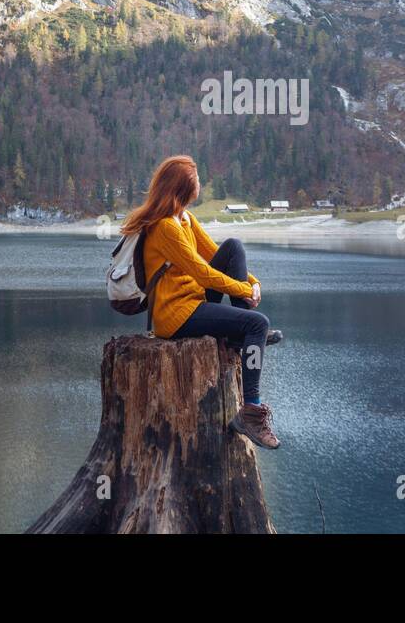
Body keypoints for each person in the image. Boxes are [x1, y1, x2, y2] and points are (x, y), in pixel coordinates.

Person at [120, 155, 283, 449]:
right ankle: (251, 413)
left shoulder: (184, 218)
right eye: (196, 182)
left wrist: (253, 283)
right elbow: (204, 273)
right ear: (184, 188)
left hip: (193, 301)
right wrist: (242, 289)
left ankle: (240, 337)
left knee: (233, 247)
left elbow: (213, 255)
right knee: (258, 324)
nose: (200, 187)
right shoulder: (165, 227)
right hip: (175, 316)